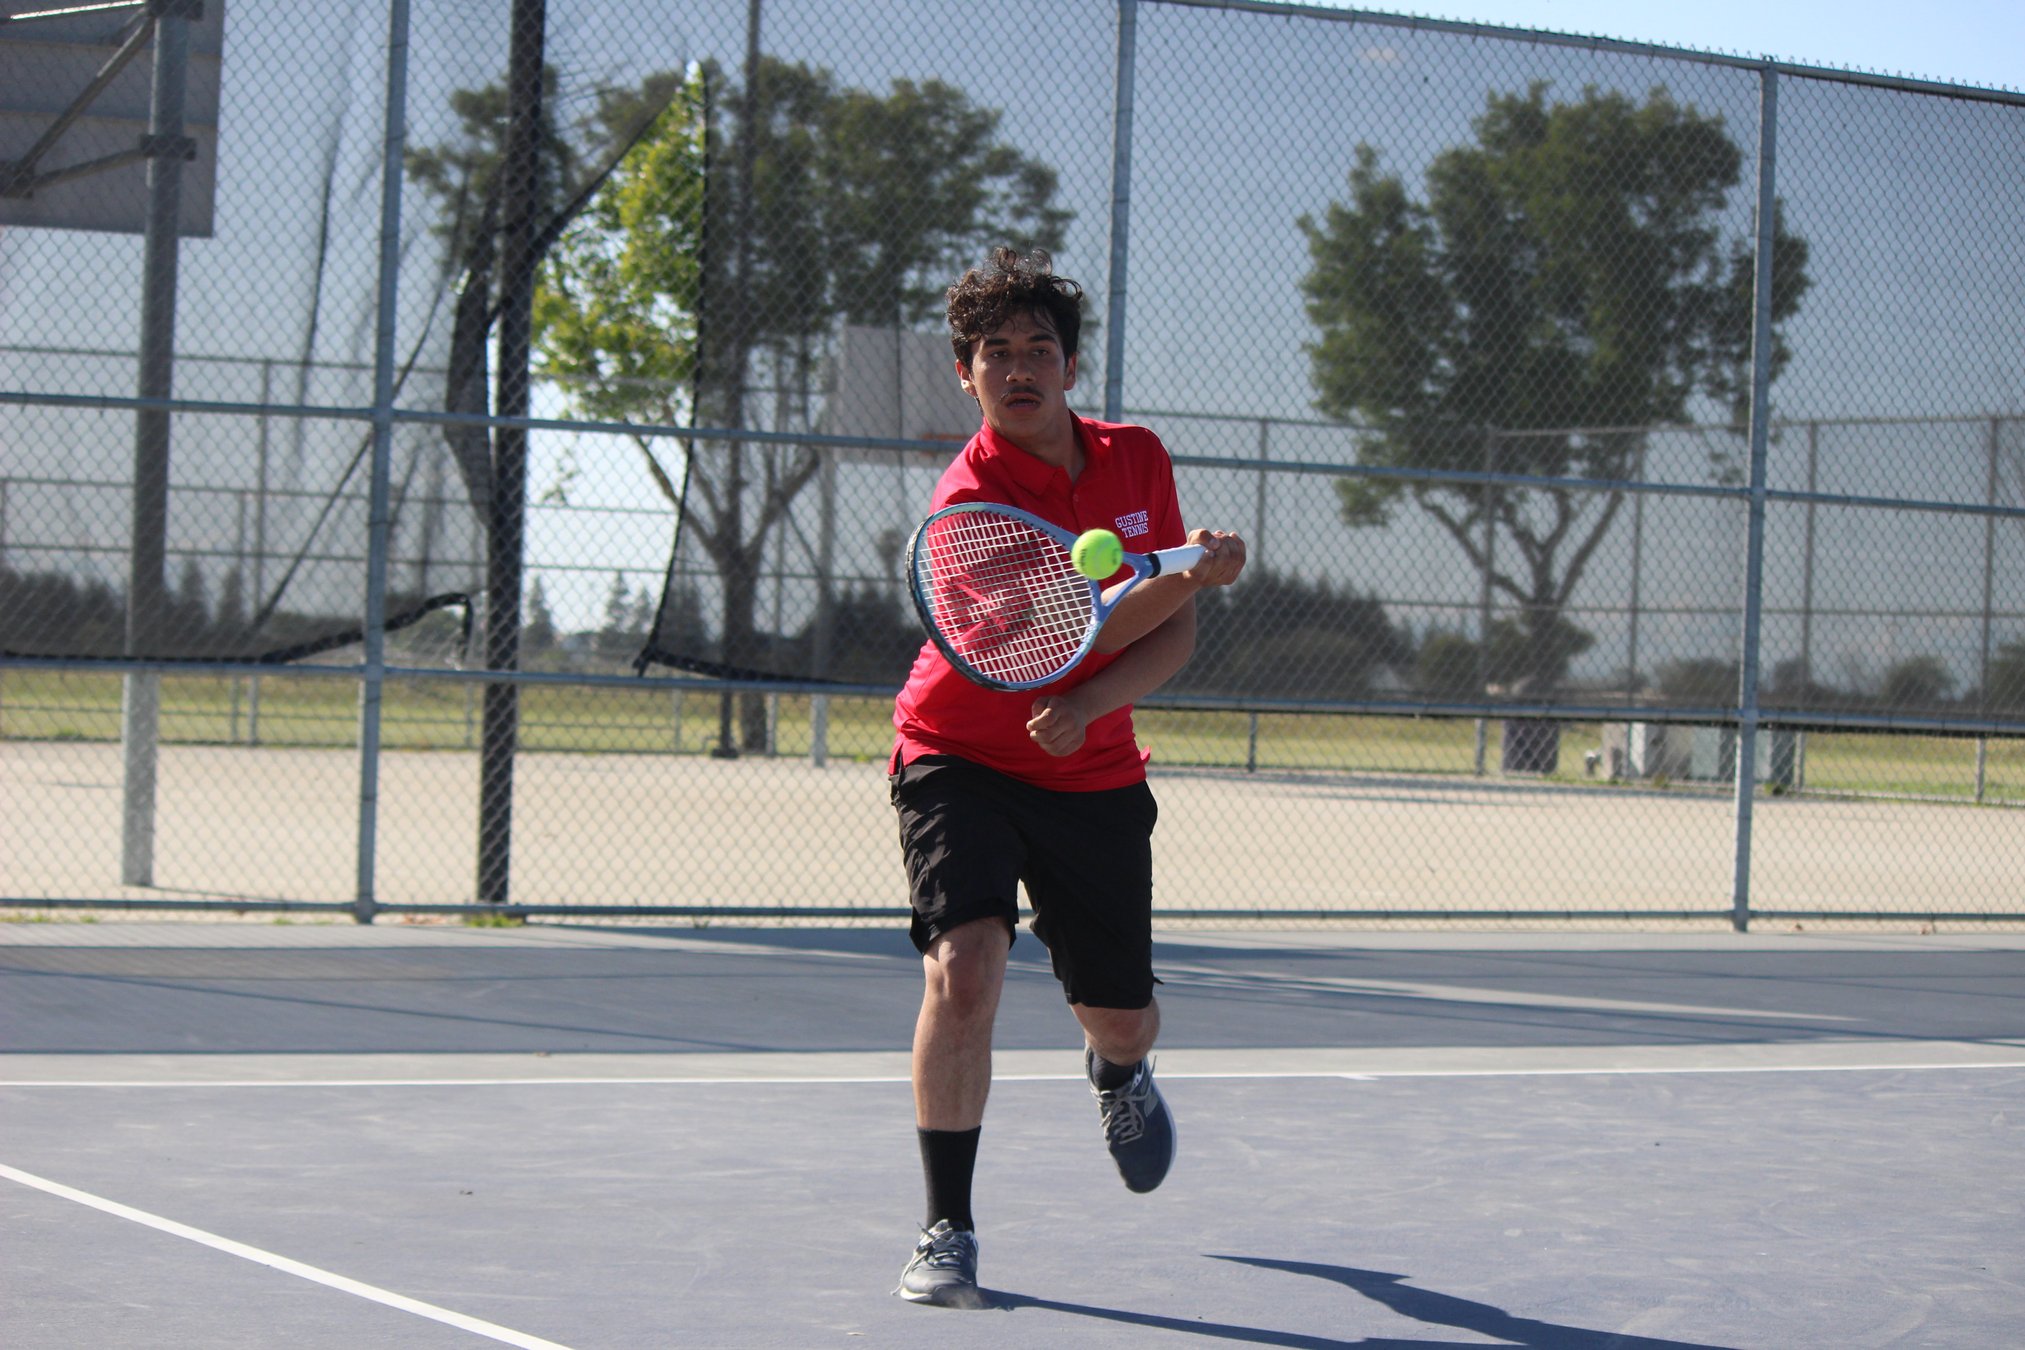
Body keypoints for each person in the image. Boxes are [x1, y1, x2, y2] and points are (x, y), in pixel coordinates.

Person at [890, 246, 1246, 1307]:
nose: (1018, 368)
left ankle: (1120, 1073)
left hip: (1088, 769)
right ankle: (945, 1226)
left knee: (1121, 1016)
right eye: (993, 353)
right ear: (967, 375)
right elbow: (1059, 621)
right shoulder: (969, 501)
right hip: (959, 754)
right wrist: (1184, 571)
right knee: (966, 966)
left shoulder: (1136, 456)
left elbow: (1165, 636)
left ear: (1071, 364)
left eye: (1037, 347)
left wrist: (1109, 683)